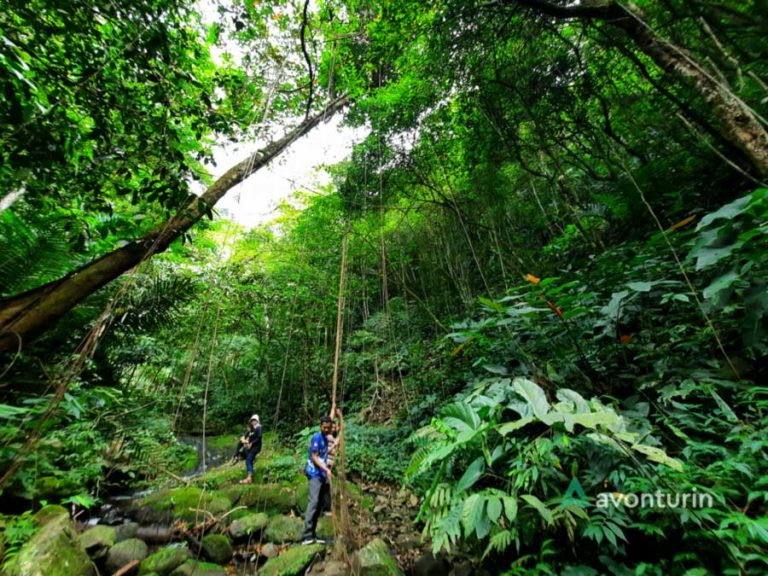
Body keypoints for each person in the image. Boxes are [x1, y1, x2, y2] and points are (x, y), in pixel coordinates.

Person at [301, 414, 333, 544]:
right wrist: (326, 469)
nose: (326, 429)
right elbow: (314, 457)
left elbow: (323, 454)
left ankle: (313, 534)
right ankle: (307, 535)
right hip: (314, 474)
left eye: (328, 428)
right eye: (324, 427)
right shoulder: (317, 438)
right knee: (313, 502)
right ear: (320, 426)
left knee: (319, 504)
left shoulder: (325, 439)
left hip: (321, 475)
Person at [239, 414, 263, 484]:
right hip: (252, 447)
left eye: (254, 420)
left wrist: (252, 443)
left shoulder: (259, 427)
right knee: (249, 460)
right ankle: (250, 478)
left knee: (248, 460)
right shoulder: (253, 428)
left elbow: (259, 438)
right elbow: (248, 436)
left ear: (257, 421)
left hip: (256, 447)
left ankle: (249, 478)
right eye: (252, 420)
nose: (253, 422)